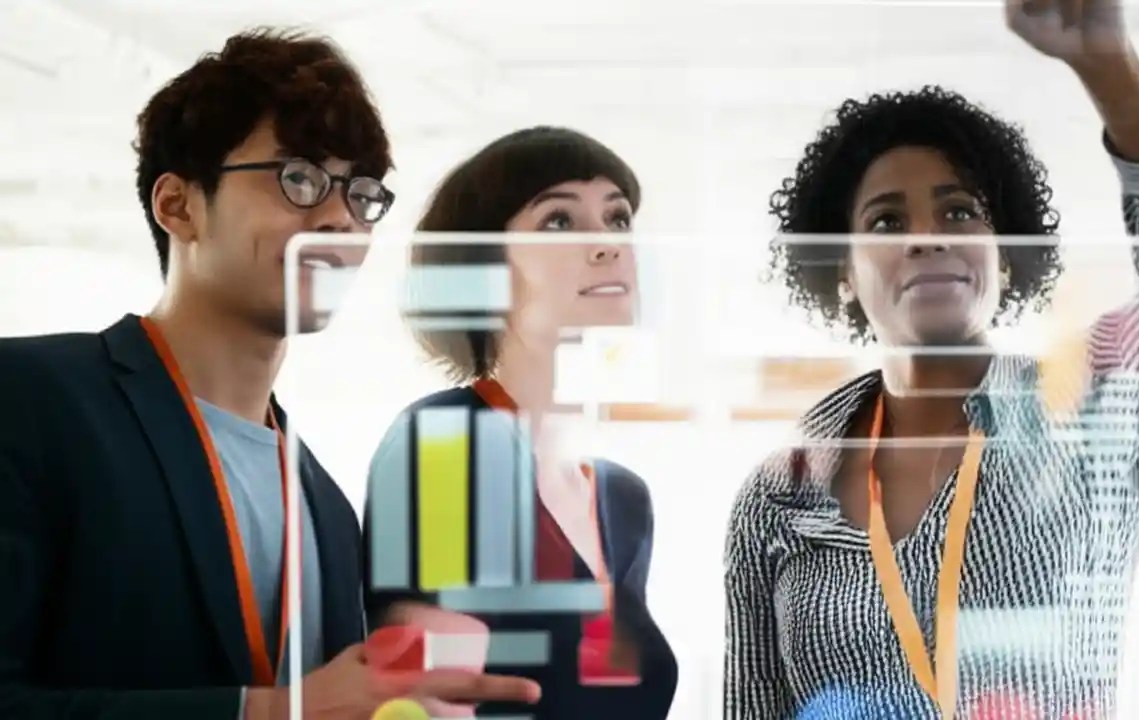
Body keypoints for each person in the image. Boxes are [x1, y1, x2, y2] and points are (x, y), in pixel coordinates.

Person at [723, 2, 1139, 719]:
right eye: (886, 221)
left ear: (1005, 258)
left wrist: (1106, 66)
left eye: (959, 212)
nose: (925, 238)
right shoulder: (779, 494)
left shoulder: (1091, 419)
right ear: (842, 272)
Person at [0, 29, 537, 720]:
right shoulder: (31, 401)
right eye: (300, 178)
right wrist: (273, 712)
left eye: (362, 193)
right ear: (179, 206)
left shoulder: (328, 510)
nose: (341, 217)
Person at [364, 126, 679, 719]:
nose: (607, 243)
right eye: (559, 221)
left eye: (617, 219)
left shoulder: (624, 498)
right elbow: (433, 706)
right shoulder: (446, 445)